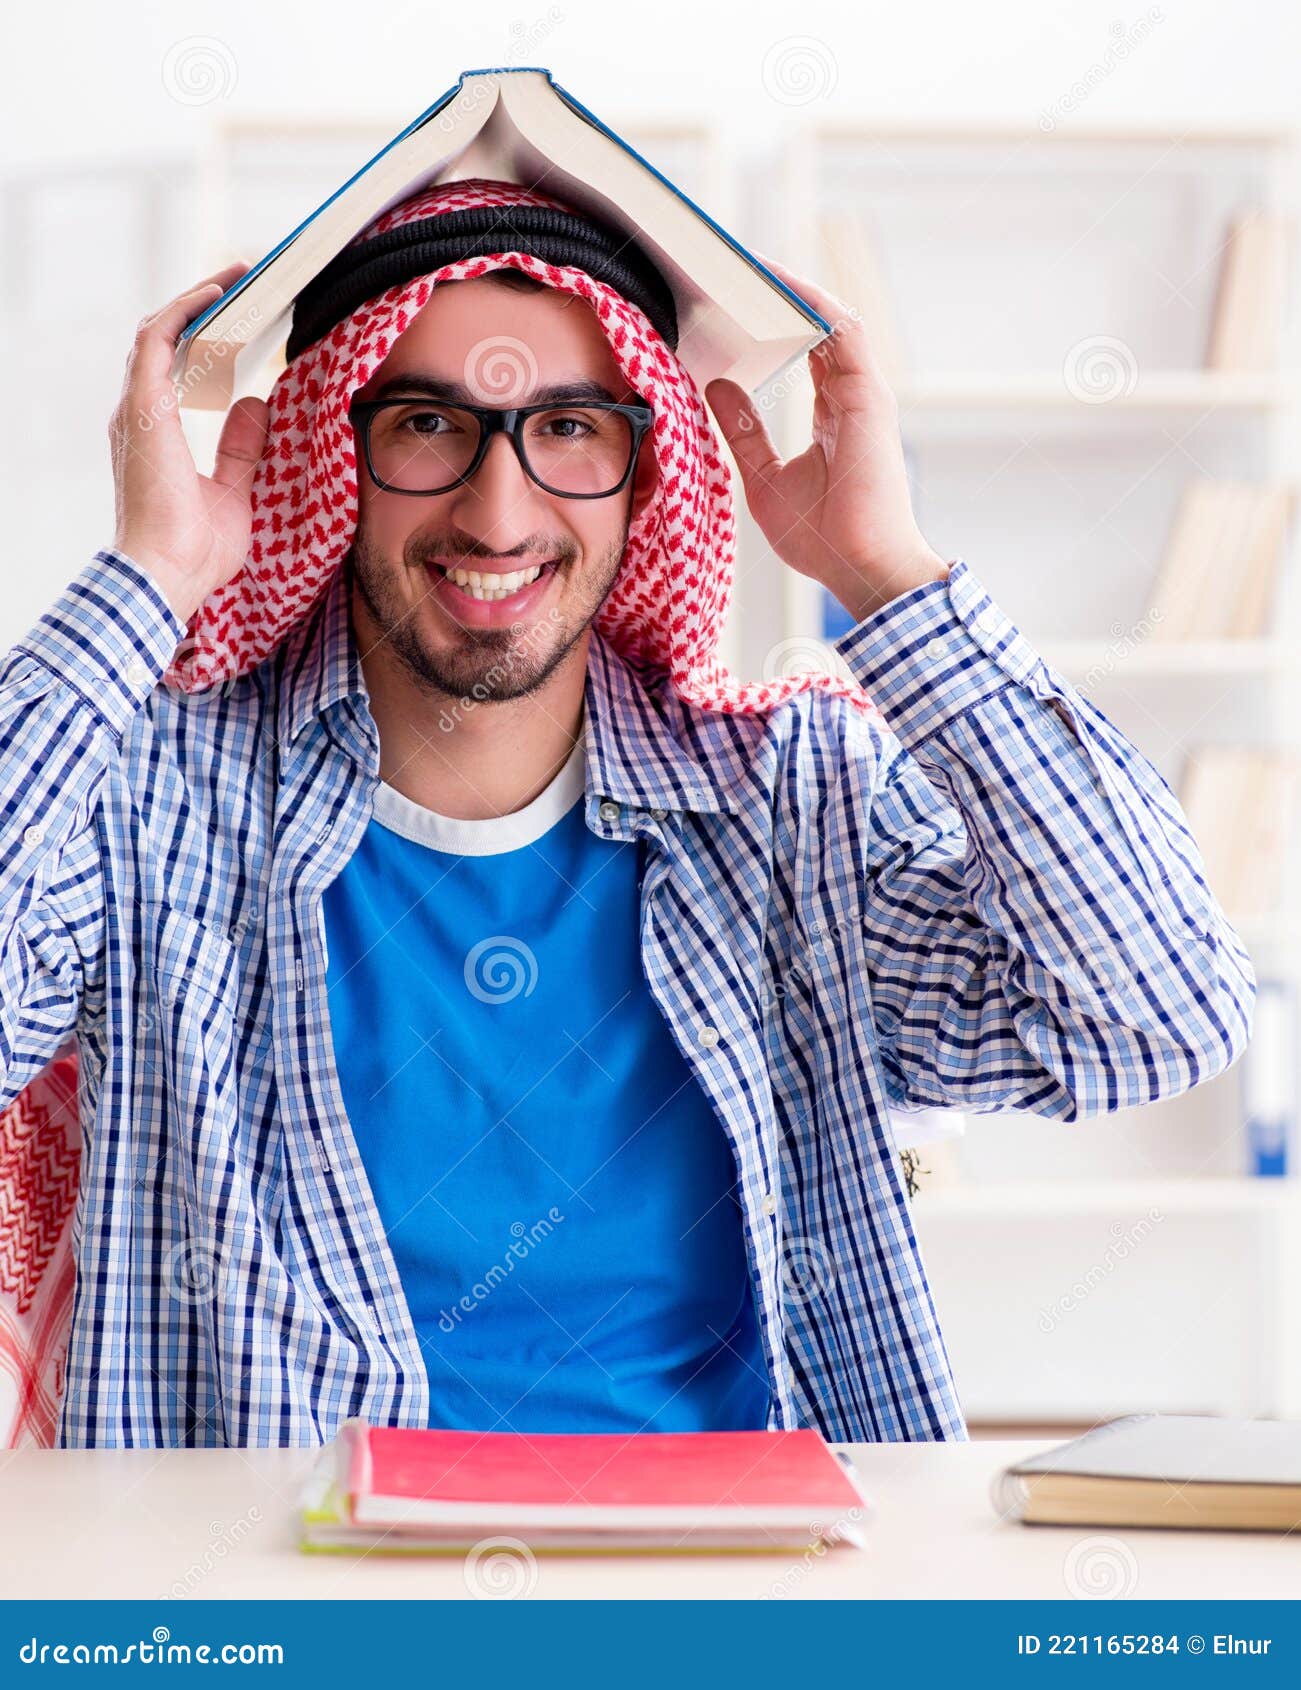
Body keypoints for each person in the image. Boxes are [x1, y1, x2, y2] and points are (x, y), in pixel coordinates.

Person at [0, 178, 1254, 1449]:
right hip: (288, 1569)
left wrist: (887, 579)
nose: (497, 514)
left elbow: (1154, 1019)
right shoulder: (149, 795)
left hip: (725, 1563)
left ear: (644, 469)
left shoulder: (792, 804)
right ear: (330, 453)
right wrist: (146, 579)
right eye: (427, 423)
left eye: (568, 428)